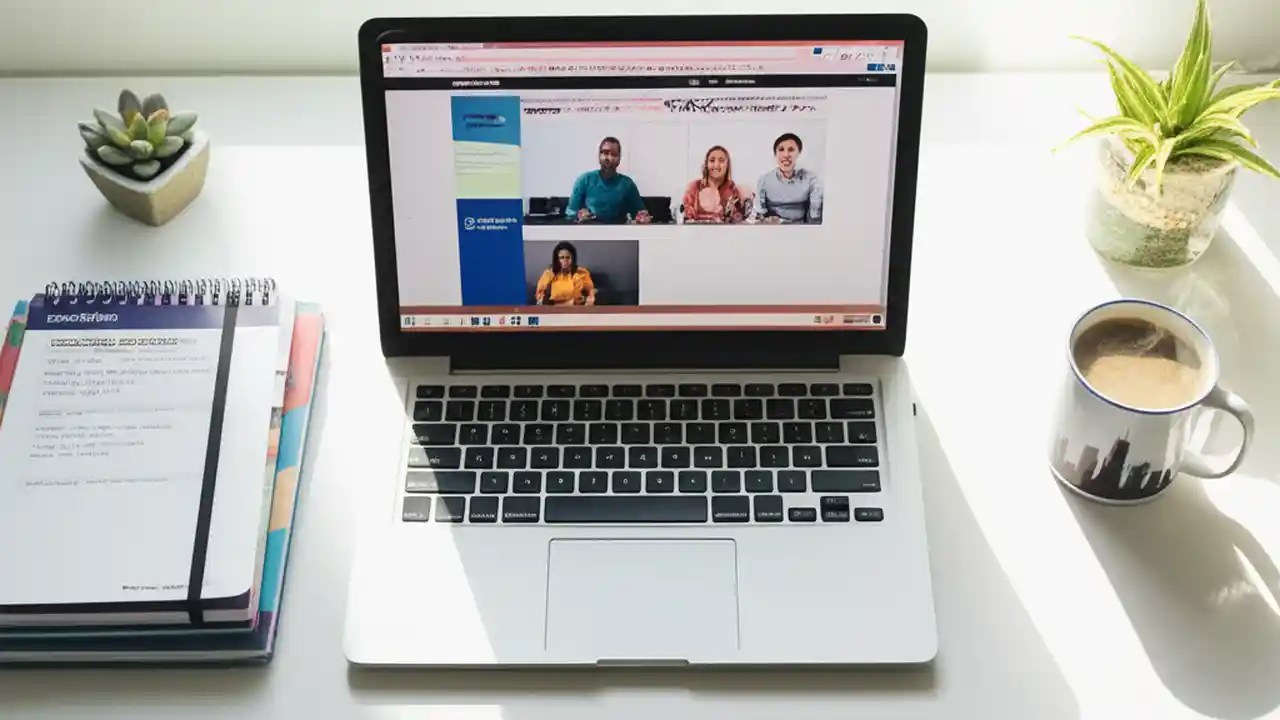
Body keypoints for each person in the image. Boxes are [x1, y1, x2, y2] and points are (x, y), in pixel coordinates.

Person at [565, 137, 651, 224]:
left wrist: (643, 217)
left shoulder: (627, 184)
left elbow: (640, 213)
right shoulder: (585, 180)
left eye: (613, 154)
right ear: (599, 156)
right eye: (605, 153)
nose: (608, 158)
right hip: (589, 232)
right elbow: (570, 211)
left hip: (618, 233)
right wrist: (578, 215)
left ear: (619, 159)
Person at [754, 132, 823, 224]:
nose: (786, 155)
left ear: (799, 153)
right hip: (774, 230)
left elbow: (815, 215)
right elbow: (760, 215)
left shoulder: (810, 179)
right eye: (781, 149)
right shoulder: (764, 180)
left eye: (791, 150)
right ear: (775, 154)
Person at [681, 145, 755, 224]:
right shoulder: (694, 188)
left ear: (727, 165)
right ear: (706, 164)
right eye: (712, 160)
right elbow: (687, 219)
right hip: (697, 235)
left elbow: (742, 222)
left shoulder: (736, 193)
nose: (716, 165)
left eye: (721, 161)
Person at [534, 241, 596, 306]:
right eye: (561, 258)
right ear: (557, 259)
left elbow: (590, 292)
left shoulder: (581, 273)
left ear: (573, 258)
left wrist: (590, 299)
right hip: (554, 309)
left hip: (576, 308)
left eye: (568, 257)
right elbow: (540, 295)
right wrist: (542, 300)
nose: (565, 261)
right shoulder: (549, 274)